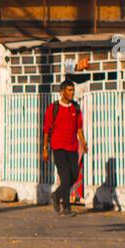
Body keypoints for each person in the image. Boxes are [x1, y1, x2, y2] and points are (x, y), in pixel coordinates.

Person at [42, 78, 86, 216]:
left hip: (72, 147)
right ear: (62, 92)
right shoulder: (53, 108)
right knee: (65, 177)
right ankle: (66, 208)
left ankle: (56, 195)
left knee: (73, 176)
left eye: (73, 90)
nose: (72, 92)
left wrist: (83, 142)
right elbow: (47, 130)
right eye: (69, 90)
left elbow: (79, 127)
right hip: (58, 147)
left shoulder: (76, 108)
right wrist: (45, 148)